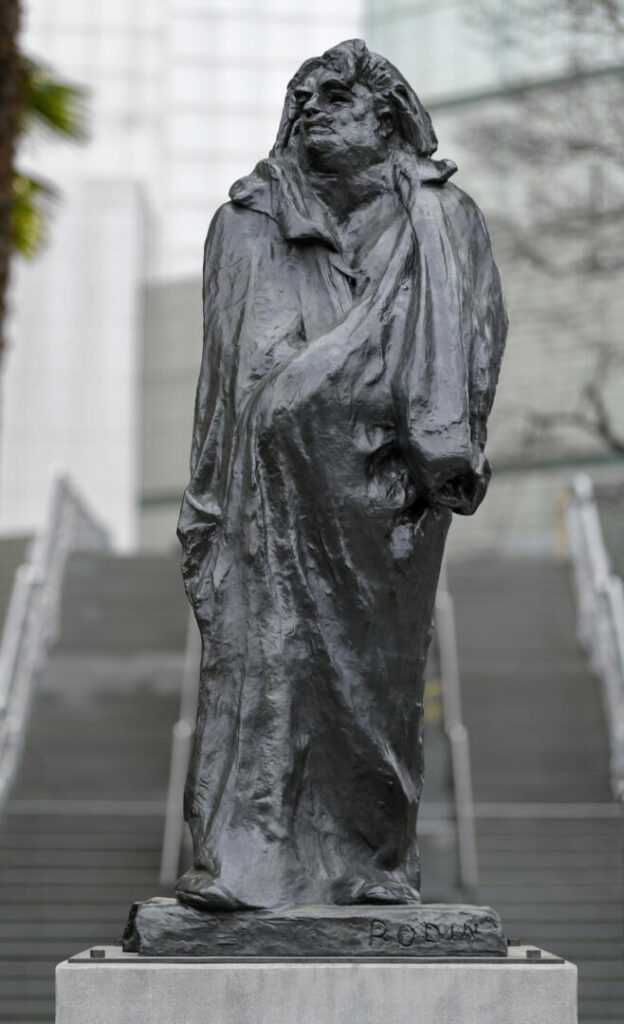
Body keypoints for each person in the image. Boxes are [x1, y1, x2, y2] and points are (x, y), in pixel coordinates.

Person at [176, 39, 507, 911]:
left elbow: (474, 342)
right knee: (262, 656)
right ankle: (243, 864)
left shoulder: (445, 220)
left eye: (335, 97)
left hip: (391, 496)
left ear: (387, 117)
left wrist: (438, 439)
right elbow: (241, 374)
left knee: (379, 682)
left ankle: (369, 863)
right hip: (268, 495)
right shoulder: (251, 222)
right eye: (302, 98)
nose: (312, 109)